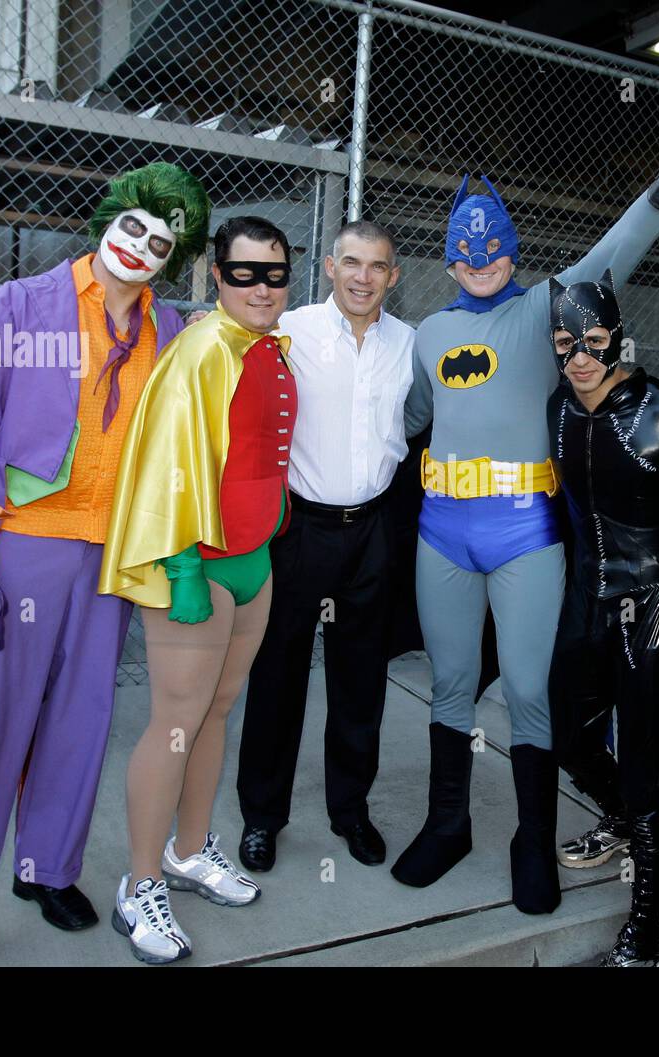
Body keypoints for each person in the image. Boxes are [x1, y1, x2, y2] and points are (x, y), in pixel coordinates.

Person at [391, 80, 659, 916]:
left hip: (525, 534)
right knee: (450, 679)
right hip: (443, 531)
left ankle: (531, 841)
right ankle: (448, 823)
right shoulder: (429, 334)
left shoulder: (551, 307)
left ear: (513, 253)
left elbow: (633, 230)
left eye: (494, 250)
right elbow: (408, 420)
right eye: (465, 252)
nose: (480, 262)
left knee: (526, 687)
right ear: (446, 257)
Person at [0, 162, 207, 967]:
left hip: (111, 559)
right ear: (109, 219)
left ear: (175, 258)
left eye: (163, 240)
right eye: (135, 225)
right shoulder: (18, 305)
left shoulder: (169, 329)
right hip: (18, 551)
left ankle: (45, 869)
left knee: (80, 723)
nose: (142, 247)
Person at [99, 216, 296, 963]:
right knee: (174, 720)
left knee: (216, 708)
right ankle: (138, 883)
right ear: (217, 276)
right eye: (245, 273)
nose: (261, 287)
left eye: (274, 274)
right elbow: (165, 465)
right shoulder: (202, 349)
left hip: (253, 561)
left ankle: (187, 849)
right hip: (200, 563)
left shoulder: (270, 348)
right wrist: (181, 568)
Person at [234, 220, 420, 872]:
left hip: (373, 529)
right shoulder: (292, 330)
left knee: (359, 682)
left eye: (377, 265)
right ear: (330, 268)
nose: (362, 277)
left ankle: (351, 809)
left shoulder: (410, 345)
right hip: (300, 528)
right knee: (277, 676)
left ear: (393, 275)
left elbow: (419, 421)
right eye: (351, 263)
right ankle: (262, 817)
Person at [546, 272, 659, 966]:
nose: (579, 357)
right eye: (564, 342)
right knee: (566, 735)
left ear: (617, 337)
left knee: (641, 768)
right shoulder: (558, 409)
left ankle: (646, 927)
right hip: (585, 592)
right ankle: (616, 817)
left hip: (651, 601)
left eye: (593, 342)